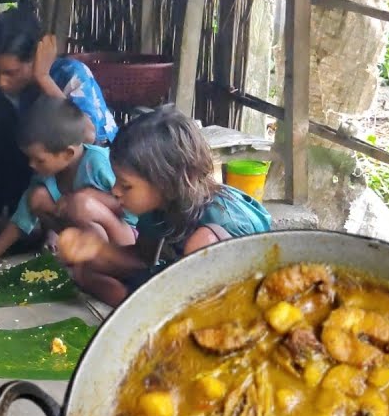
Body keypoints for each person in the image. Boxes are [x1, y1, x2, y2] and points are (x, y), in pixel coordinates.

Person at [58, 106, 272, 307]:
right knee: (85, 272)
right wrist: (95, 250)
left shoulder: (217, 226)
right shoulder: (159, 205)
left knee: (198, 247)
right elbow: (143, 259)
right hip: (182, 276)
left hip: (241, 296)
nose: (115, 190)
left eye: (126, 185)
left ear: (165, 182)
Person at [0, 7, 117, 238]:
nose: (2, 83)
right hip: (34, 177)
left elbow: (88, 135)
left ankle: (49, 229)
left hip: (84, 185)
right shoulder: (2, 93)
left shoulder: (71, 74)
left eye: (11, 72)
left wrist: (43, 78)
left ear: (36, 57)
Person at [0, 97, 136, 291]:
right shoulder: (47, 175)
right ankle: (89, 269)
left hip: (123, 240)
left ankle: (111, 272)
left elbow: (131, 211)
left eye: (39, 160)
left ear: (67, 154)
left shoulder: (97, 163)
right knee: (37, 197)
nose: (31, 165)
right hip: (84, 242)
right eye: (29, 158)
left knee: (80, 204)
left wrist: (91, 197)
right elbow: (19, 220)